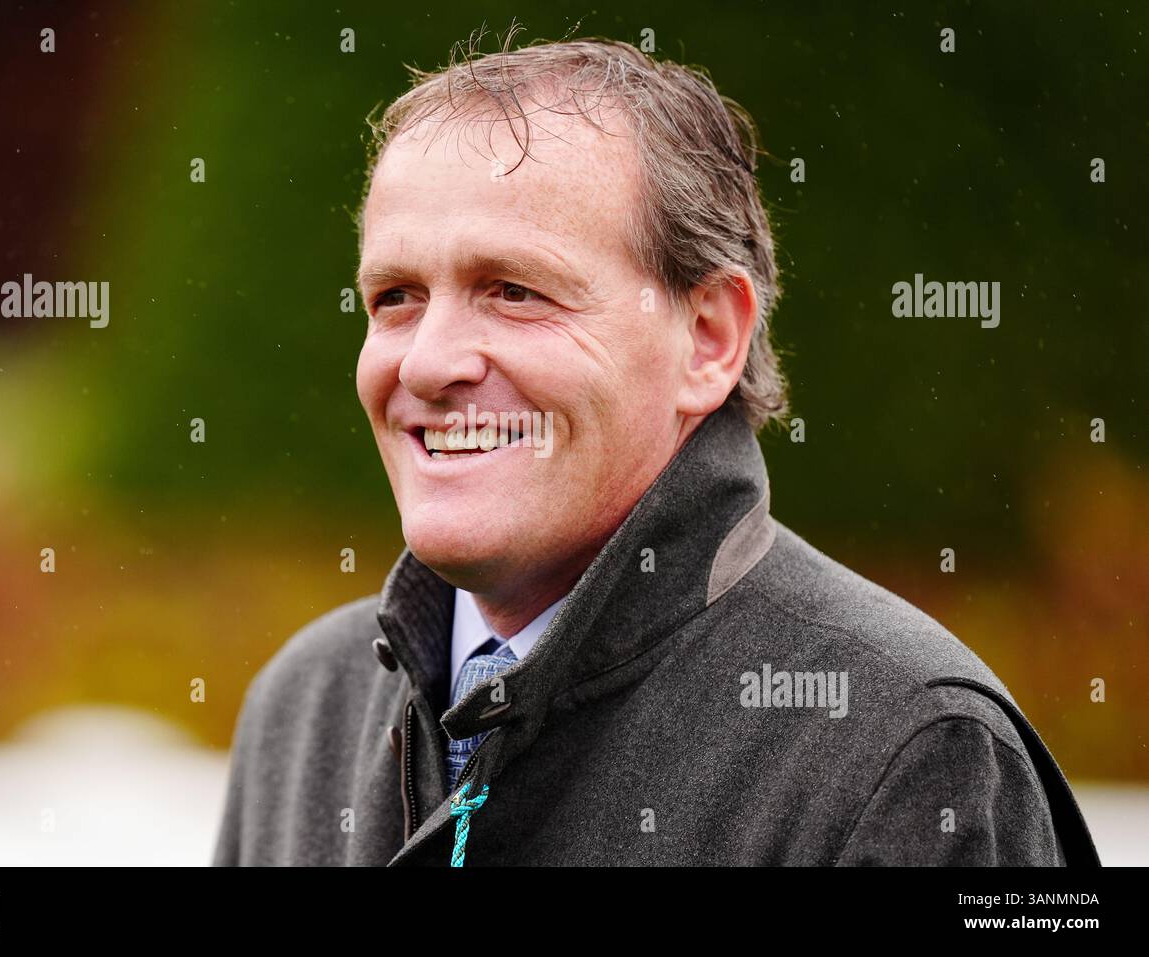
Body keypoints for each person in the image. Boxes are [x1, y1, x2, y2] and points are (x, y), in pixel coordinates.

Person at [213, 34, 1099, 867]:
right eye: (396, 296)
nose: (431, 360)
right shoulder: (303, 708)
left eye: (514, 291)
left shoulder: (914, 754)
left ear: (708, 337)